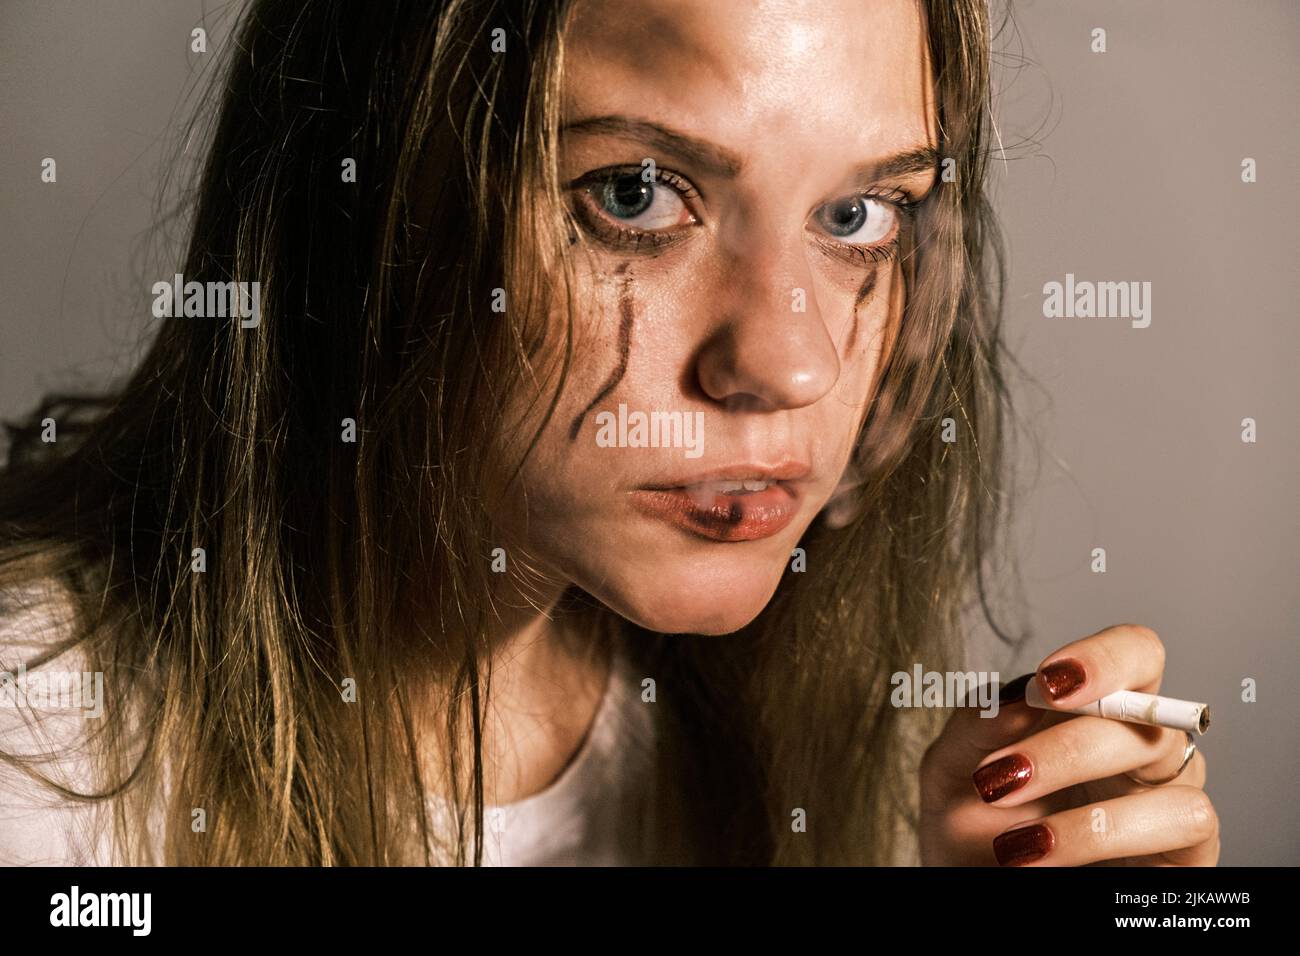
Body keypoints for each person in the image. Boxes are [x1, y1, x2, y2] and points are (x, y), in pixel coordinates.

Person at [0, 0, 1217, 866]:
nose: (789, 361)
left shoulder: (858, 757)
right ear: (367, 201)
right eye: (635, 193)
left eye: (858, 214)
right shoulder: (33, 755)